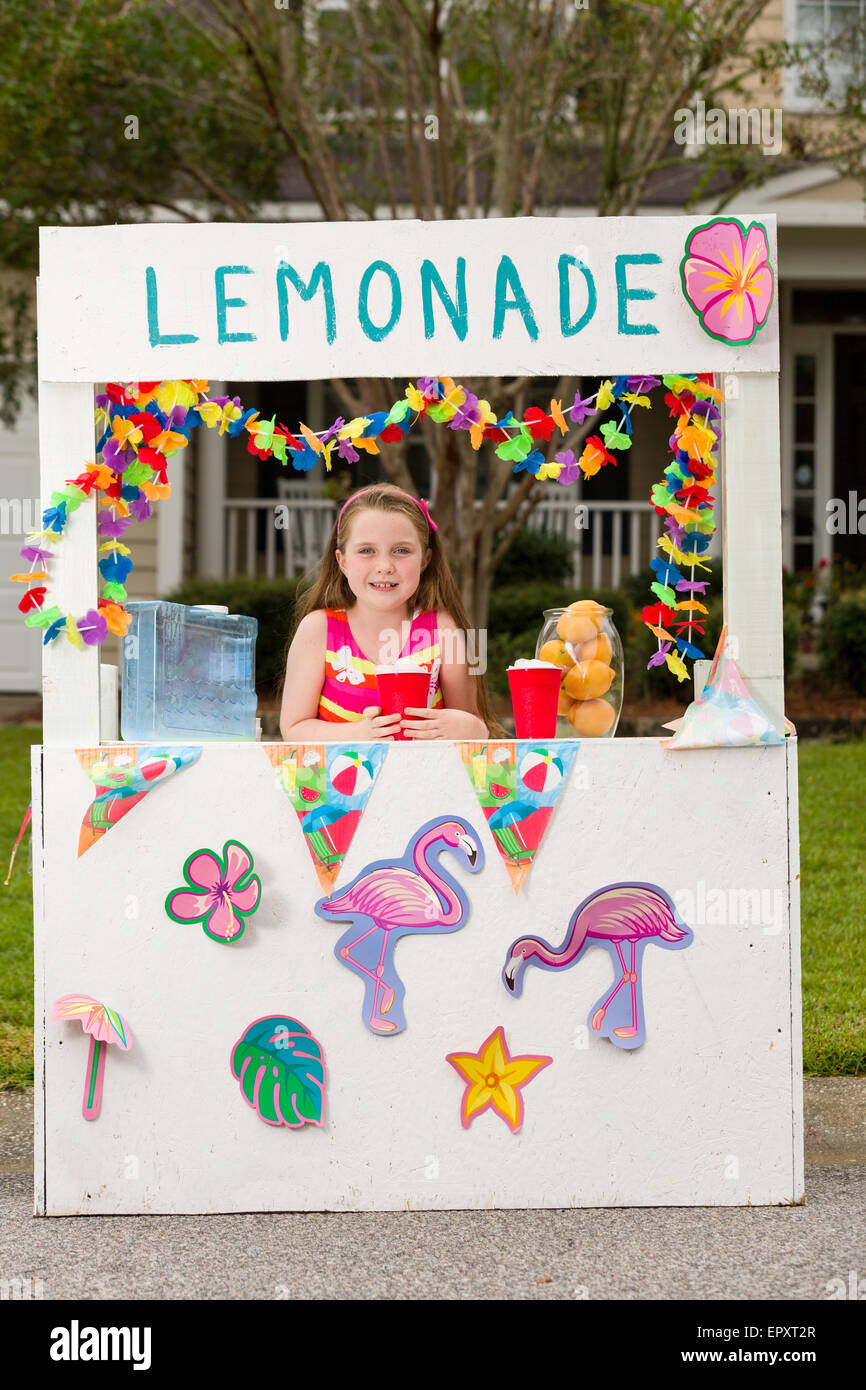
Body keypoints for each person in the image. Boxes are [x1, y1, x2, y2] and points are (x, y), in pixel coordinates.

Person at [279, 483, 504, 741]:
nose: (385, 566)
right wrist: (360, 733)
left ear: (425, 560)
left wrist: (474, 729)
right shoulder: (318, 628)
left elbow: (471, 723)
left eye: (401, 551)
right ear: (342, 561)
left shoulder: (443, 629)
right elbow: (294, 729)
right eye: (366, 551)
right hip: (334, 780)